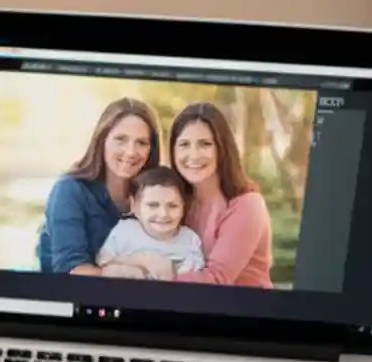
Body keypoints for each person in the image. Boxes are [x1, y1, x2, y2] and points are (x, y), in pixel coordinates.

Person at [37, 97, 161, 274]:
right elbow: (70, 269)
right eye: (121, 139)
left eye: (141, 143)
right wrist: (126, 275)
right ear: (102, 140)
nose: (131, 152)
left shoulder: (156, 195)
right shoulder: (70, 190)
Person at [167, 102, 273, 288]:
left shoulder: (247, 205)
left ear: (222, 148)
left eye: (205, 144)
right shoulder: (177, 202)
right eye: (184, 144)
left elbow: (215, 280)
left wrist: (148, 278)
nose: (194, 155)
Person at [95, 167, 205, 280]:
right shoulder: (124, 231)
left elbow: (192, 280)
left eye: (172, 206)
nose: (163, 214)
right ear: (134, 206)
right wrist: (138, 261)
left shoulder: (189, 239)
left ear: (184, 207)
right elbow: (104, 263)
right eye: (153, 205)